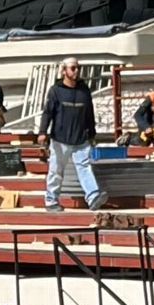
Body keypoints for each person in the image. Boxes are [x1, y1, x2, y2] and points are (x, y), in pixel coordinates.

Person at [38, 57, 104, 213]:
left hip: (81, 139)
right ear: (64, 71)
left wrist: (92, 134)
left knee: (85, 167)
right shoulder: (56, 91)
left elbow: (89, 114)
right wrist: (42, 132)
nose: (76, 71)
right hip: (60, 140)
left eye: (78, 68)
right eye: (73, 68)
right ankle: (51, 200)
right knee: (56, 170)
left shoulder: (84, 91)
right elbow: (48, 113)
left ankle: (93, 196)